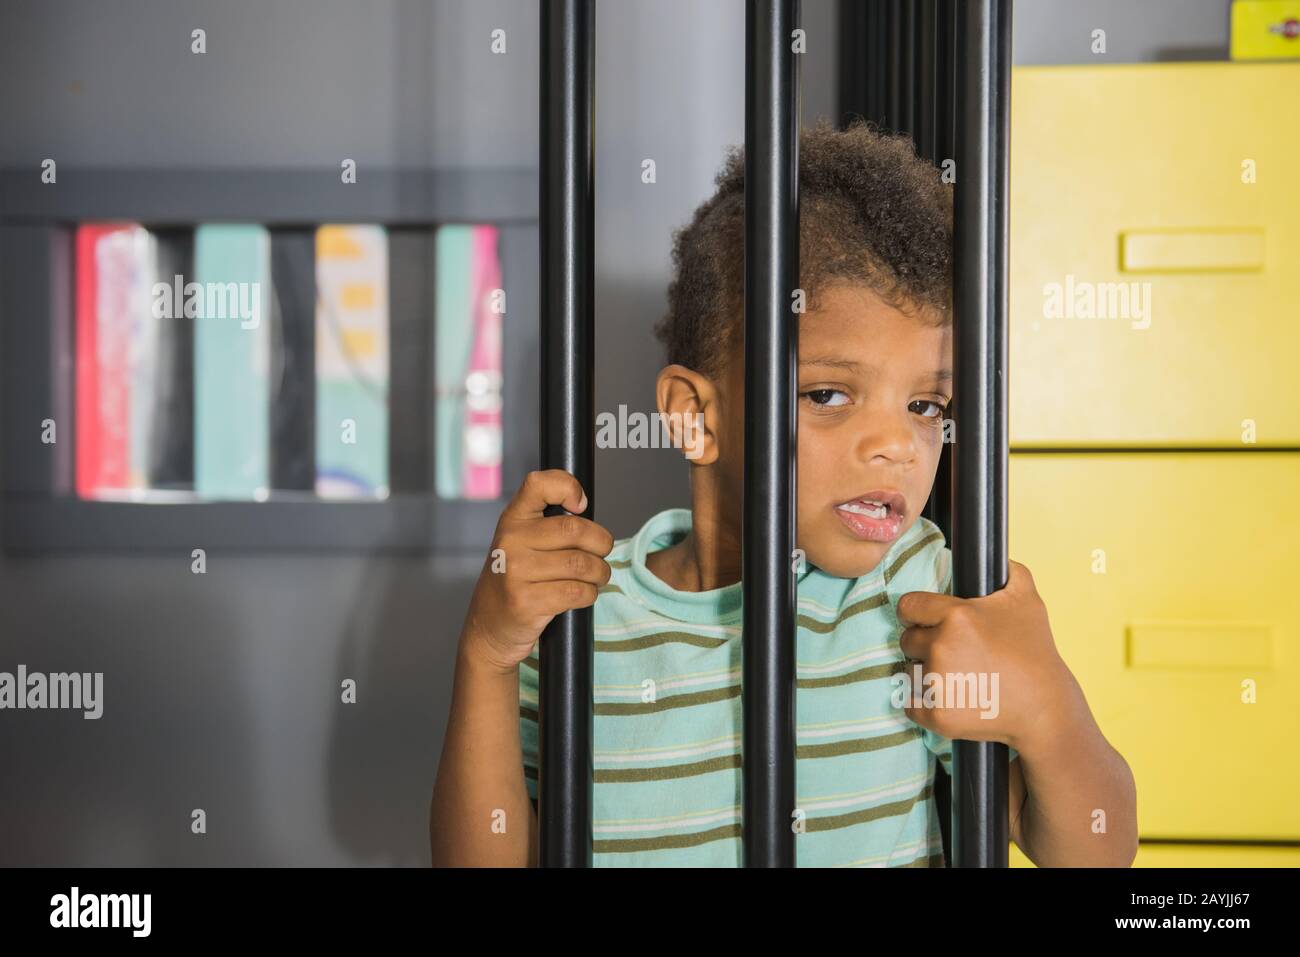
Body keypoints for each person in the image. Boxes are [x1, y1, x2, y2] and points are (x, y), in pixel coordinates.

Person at [429, 118, 1137, 867]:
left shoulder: (919, 596)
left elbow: (1095, 854)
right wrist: (488, 654)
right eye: (830, 394)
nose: (898, 444)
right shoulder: (581, 617)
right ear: (696, 417)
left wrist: (1047, 709)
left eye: (927, 406)